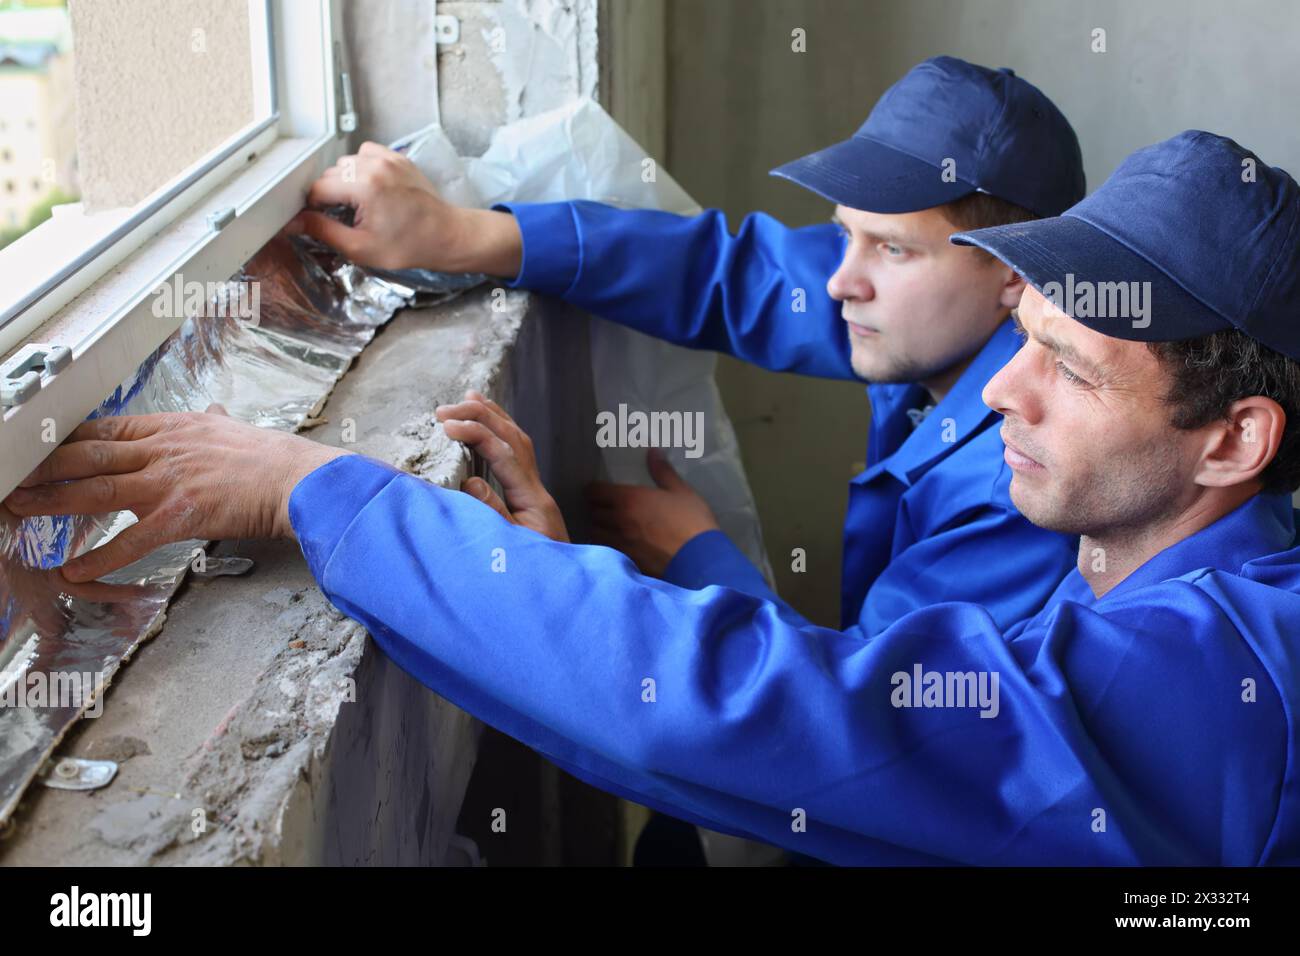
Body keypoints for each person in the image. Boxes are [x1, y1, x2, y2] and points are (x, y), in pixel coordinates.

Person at [10, 130, 1300, 865]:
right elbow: (747, 270)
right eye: (1016, 333)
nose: (998, 393)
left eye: (1067, 372)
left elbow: (780, 714)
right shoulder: (1148, 536)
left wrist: (324, 494)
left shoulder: (1224, 676)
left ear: (1233, 439)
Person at [288, 56, 1085, 636]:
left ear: (1017, 274)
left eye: (893, 249)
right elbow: (730, 274)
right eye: (846, 236)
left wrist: (693, 553)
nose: (842, 282)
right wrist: (466, 234)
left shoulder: (1026, 489)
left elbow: (861, 731)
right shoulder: (945, 323)